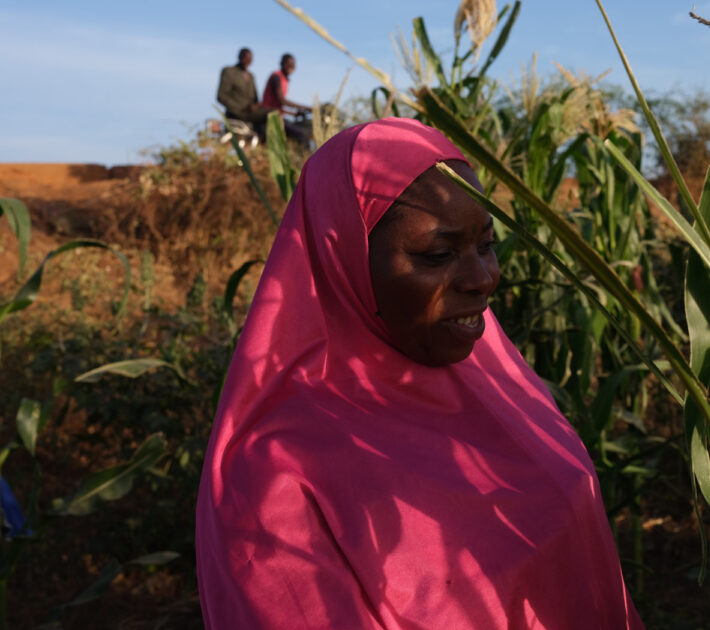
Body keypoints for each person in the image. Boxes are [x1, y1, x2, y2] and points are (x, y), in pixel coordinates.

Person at [195, 118, 644, 629]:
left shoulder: (501, 387)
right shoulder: (274, 475)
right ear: (348, 259)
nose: (483, 279)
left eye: (487, 245)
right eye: (438, 254)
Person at [261, 53, 313, 146]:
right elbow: (282, 100)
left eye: (293, 64)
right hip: (270, 116)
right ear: (282, 64)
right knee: (302, 134)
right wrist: (306, 108)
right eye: (289, 64)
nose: (291, 67)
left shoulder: (284, 79)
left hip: (277, 115)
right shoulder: (276, 77)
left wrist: (294, 113)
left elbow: (279, 106)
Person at [216, 48, 267, 129]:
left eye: (250, 58)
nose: (247, 60)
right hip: (236, 114)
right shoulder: (229, 72)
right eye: (245, 57)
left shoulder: (251, 76)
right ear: (239, 57)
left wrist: (256, 105)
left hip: (252, 115)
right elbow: (221, 96)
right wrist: (241, 109)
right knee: (270, 114)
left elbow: (255, 99)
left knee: (274, 114)